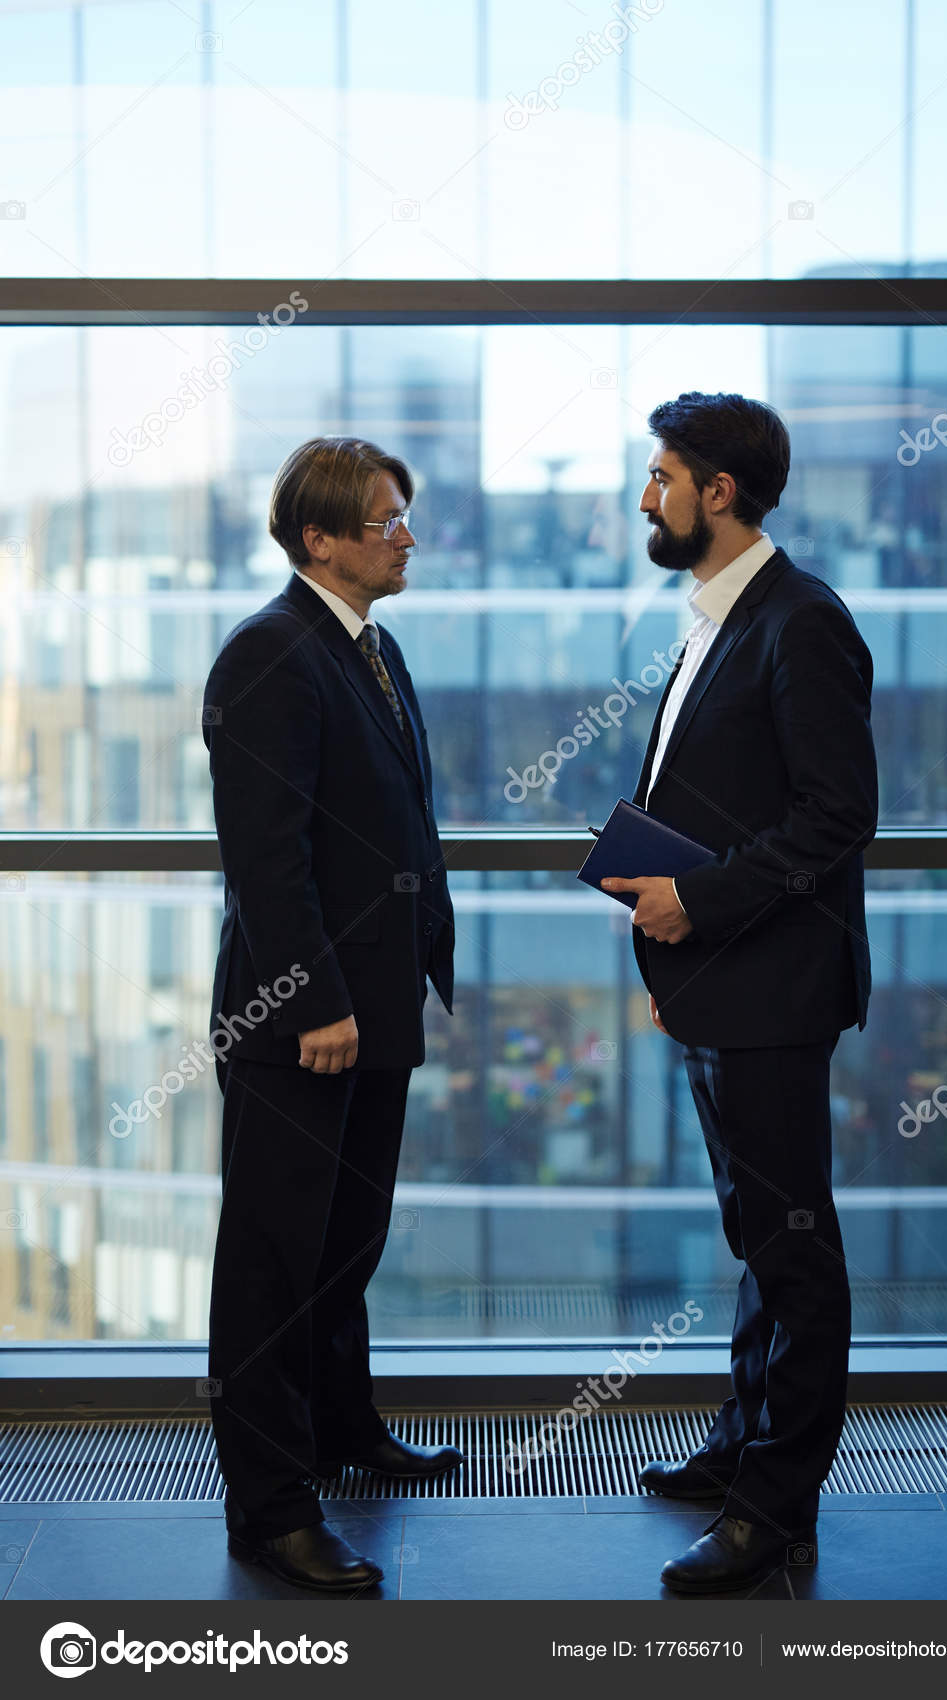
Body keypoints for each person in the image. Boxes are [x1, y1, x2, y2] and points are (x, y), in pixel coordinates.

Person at [600, 392, 877, 1595]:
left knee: (794, 1248)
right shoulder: (718, 615)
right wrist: (667, 924)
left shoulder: (801, 620)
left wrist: (695, 905)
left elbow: (835, 814)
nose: (646, 497)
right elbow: (718, 793)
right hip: (720, 982)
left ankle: (777, 1506)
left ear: (719, 492)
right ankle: (743, 1444)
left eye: (662, 476)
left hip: (772, 987)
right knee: (757, 1238)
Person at [203, 436, 460, 1594]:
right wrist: (310, 998)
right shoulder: (268, 653)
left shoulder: (372, 646)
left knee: (344, 1243)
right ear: (321, 538)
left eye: (403, 516)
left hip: (376, 1006)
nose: (406, 534)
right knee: (268, 1260)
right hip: (300, 1020)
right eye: (386, 520)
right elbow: (266, 857)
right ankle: (269, 1505)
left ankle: (343, 1429)